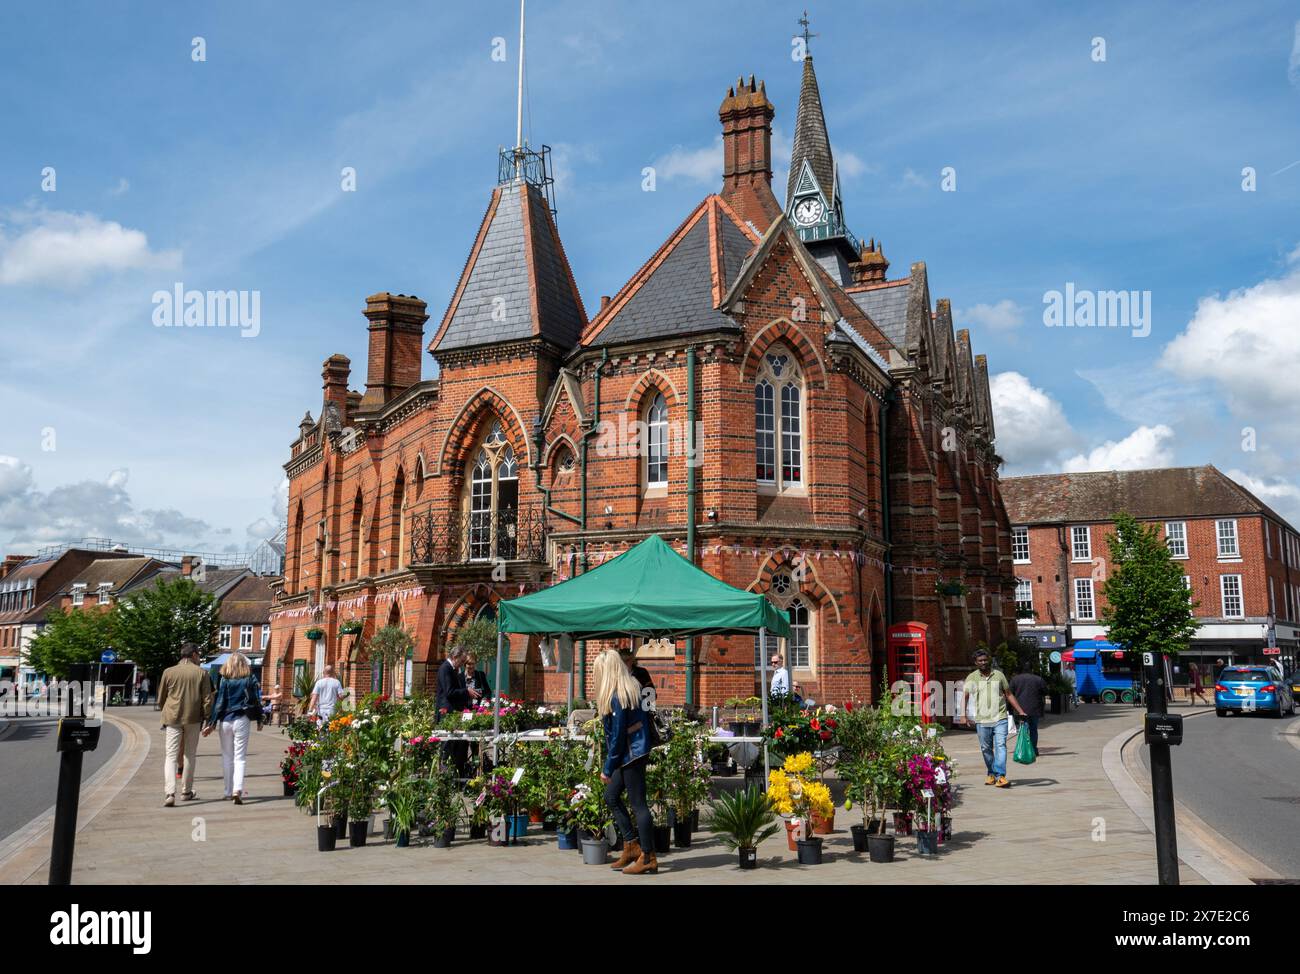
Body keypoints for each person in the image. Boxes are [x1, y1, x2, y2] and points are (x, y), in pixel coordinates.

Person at [595, 650, 656, 876]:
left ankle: (647, 856)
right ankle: (632, 845)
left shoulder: (617, 695)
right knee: (611, 796)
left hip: (632, 753)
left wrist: (607, 768)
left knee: (638, 804)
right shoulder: (629, 687)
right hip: (633, 752)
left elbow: (619, 735)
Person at [156, 643, 214, 806]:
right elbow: (207, 699)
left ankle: (169, 793)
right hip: (193, 718)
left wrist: (166, 711)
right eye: (199, 655)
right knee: (189, 754)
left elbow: (161, 697)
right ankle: (186, 791)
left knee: (171, 756)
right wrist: (207, 717)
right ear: (194, 655)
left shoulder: (168, 672)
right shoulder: (202, 673)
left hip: (172, 717)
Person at [202, 652, 262, 804]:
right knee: (240, 757)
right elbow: (256, 698)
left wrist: (212, 723)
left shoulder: (225, 680)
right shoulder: (250, 679)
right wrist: (260, 719)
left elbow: (219, 702)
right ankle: (238, 789)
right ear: (244, 665)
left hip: (226, 721)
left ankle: (228, 791)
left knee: (227, 757)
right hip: (242, 718)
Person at [962, 649, 1026, 788]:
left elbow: (1008, 694)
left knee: (1000, 745)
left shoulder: (999, 675)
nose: (983, 662)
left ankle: (1000, 776)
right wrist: (963, 715)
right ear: (976, 663)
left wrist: (1020, 711)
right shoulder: (972, 677)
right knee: (986, 748)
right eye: (980, 661)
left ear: (989, 660)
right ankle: (991, 772)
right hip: (982, 719)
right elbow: (965, 697)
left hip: (1000, 717)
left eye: (985, 660)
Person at [437, 646, 476, 777]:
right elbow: (449, 692)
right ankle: (444, 775)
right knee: (447, 746)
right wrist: (467, 692)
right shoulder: (446, 669)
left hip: (454, 712)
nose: (462, 664)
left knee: (458, 745)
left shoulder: (452, 669)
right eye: (462, 660)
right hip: (447, 713)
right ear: (455, 657)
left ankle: (457, 773)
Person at [1008, 663, 1047, 754]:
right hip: (1034, 708)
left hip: (1020, 709)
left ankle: (1024, 750)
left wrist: (1010, 709)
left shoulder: (1015, 680)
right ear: (1032, 669)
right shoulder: (1038, 679)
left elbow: (1010, 694)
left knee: (1023, 730)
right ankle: (1033, 749)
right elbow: (1045, 691)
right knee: (1033, 729)